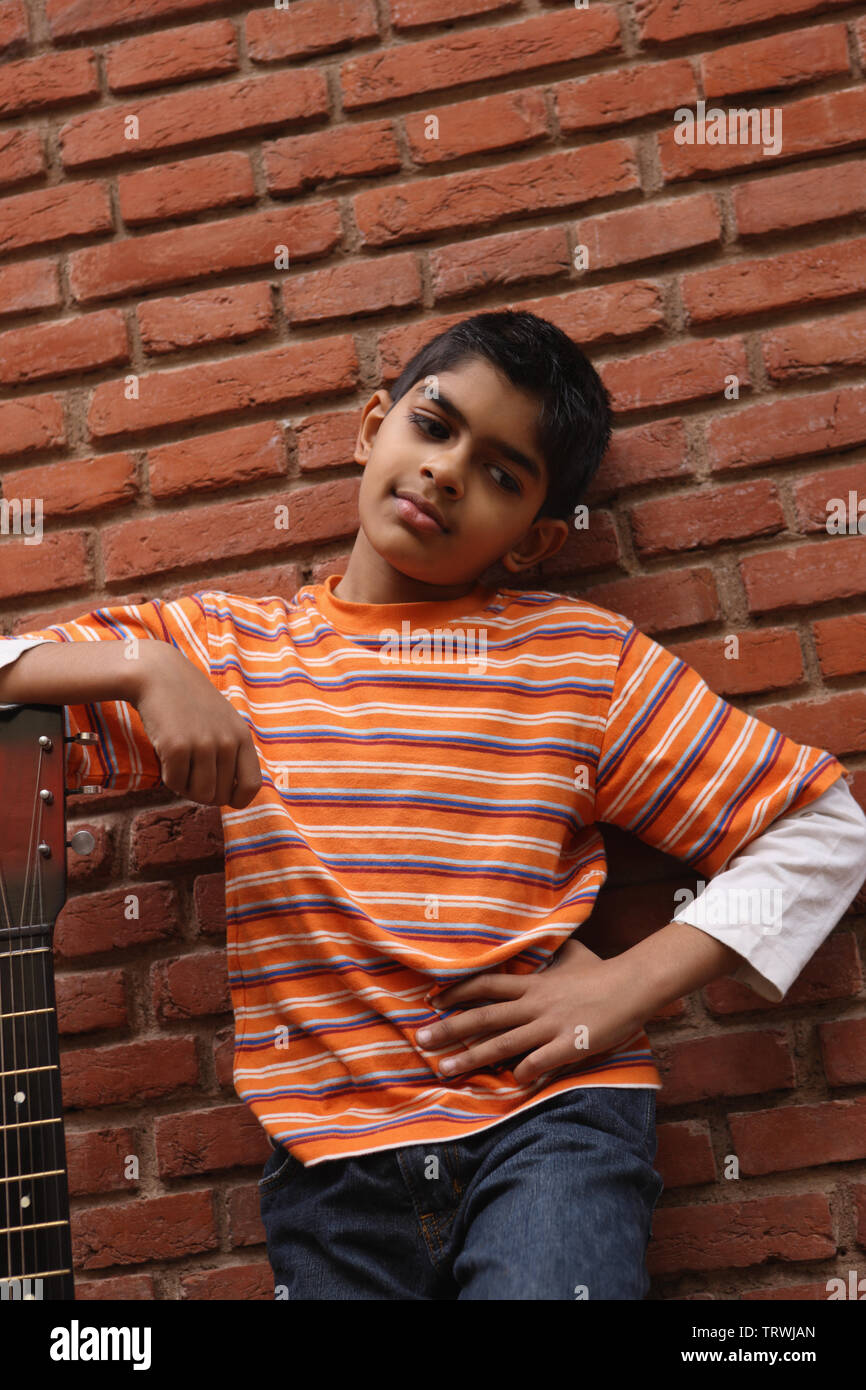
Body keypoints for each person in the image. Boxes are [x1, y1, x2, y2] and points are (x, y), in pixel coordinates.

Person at [1, 310, 864, 1301]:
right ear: (375, 423)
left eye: (501, 474)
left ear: (537, 540)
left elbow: (822, 828)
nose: (447, 471)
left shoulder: (577, 661)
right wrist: (144, 665)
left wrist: (623, 988)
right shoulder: (227, 653)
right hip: (329, 1167)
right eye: (434, 424)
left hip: (549, 1131)